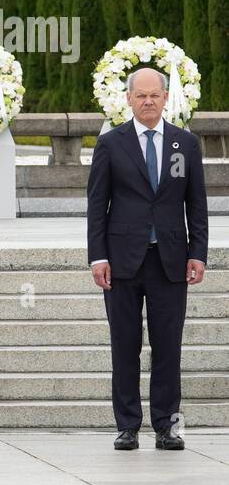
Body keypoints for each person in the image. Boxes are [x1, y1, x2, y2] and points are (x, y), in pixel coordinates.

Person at [87, 67, 208, 451]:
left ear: (166, 97)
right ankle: (127, 425)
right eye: (140, 95)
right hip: (122, 262)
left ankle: (167, 425)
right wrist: (98, 257)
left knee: (168, 346)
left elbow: (197, 205)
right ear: (128, 99)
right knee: (125, 344)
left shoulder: (184, 144)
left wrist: (198, 253)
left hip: (170, 261)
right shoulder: (111, 144)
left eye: (154, 95)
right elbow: (97, 206)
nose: (148, 101)